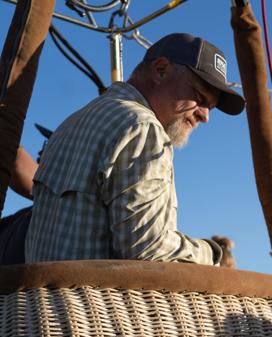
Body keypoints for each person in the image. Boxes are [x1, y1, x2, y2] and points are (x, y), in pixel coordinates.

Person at [25, 33, 244, 266]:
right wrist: (212, 254)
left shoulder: (70, 123)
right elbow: (147, 249)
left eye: (210, 107)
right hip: (98, 301)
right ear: (161, 70)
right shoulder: (142, 127)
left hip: (38, 299)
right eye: (200, 98)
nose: (205, 115)